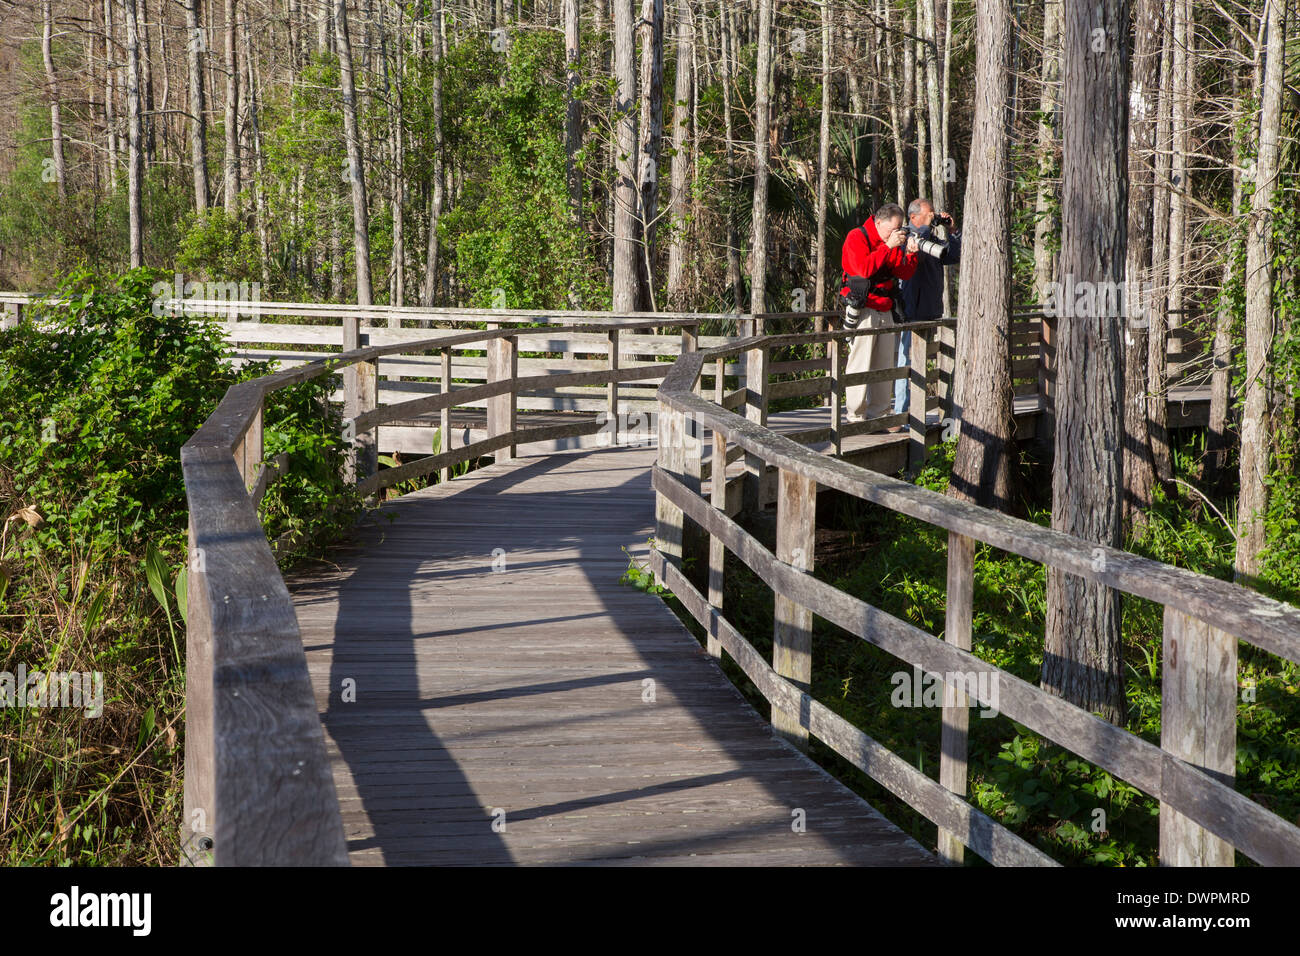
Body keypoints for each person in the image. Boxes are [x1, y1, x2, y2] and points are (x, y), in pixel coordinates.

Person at [839, 203, 919, 423]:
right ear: (878, 222)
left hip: (885, 309)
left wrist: (911, 255)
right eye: (892, 229)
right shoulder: (857, 237)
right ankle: (856, 416)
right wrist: (887, 247)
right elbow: (862, 270)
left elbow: (902, 272)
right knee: (860, 363)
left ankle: (880, 415)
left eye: (899, 228)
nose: (896, 233)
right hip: (863, 309)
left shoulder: (890, 242)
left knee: (884, 366)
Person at [894, 199, 961, 415]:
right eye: (928, 214)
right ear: (913, 217)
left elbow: (954, 255)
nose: (932, 217)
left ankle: (920, 411)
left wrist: (951, 230)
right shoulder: (903, 236)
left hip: (930, 310)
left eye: (933, 214)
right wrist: (926, 228)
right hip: (910, 310)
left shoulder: (931, 239)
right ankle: (901, 413)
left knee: (925, 361)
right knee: (907, 361)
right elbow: (913, 257)